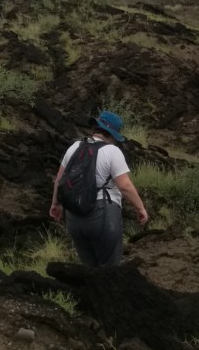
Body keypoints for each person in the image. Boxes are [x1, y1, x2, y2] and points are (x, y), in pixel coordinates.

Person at [49, 110, 149, 267]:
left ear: (96, 128)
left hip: (74, 217)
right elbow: (125, 186)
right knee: (110, 269)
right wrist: (140, 208)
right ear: (112, 135)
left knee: (90, 270)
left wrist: (56, 204)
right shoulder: (112, 151)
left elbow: (59, 180)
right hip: (102, 215)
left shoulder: (75, 147)